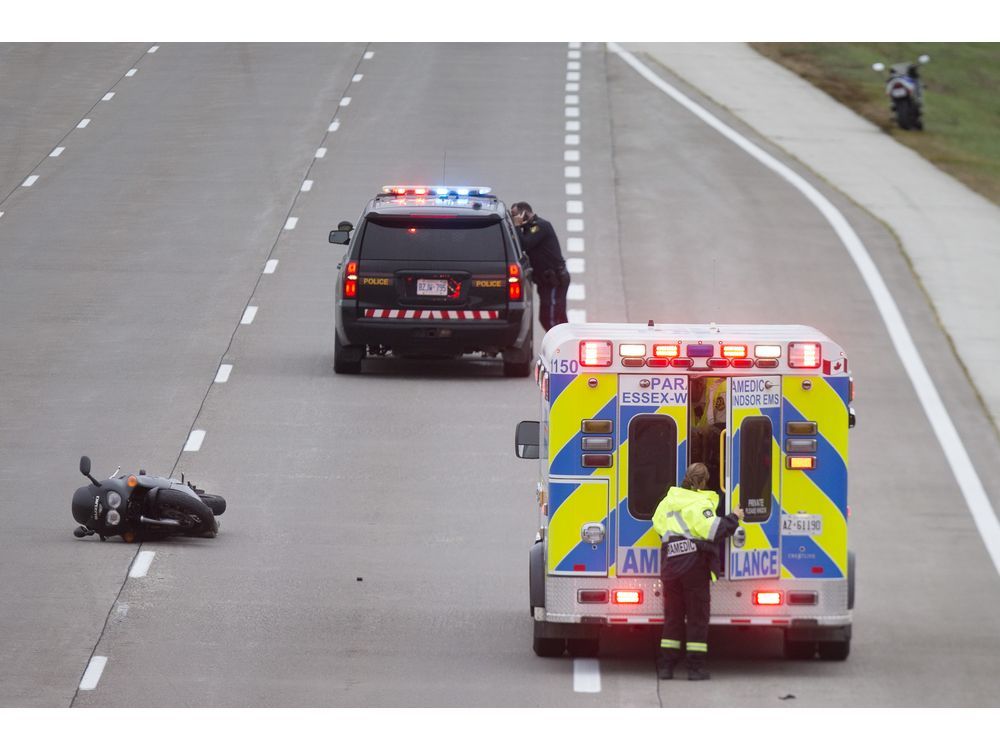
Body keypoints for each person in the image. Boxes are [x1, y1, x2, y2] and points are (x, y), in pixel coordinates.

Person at [652, 462, 744, 681]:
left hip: (671, 566)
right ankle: (695, 668)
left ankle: (666, 667)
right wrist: (734, 517)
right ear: (704, 482)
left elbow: (657, 524)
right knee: (697, 618)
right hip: (694, 567)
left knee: (673, 618)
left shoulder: (669, 501)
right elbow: (714, 530)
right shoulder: (701, 503)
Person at [510, 202, 570, 331]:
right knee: (549, 318)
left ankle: (559, 347)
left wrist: (516, 226)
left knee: (552, 319)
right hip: (545, 281)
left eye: (515, 215)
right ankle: (565, 344)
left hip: (555, 279)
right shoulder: (527, 228)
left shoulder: (541, 226)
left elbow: (525, 244)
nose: (514, 218)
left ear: (524, 213)